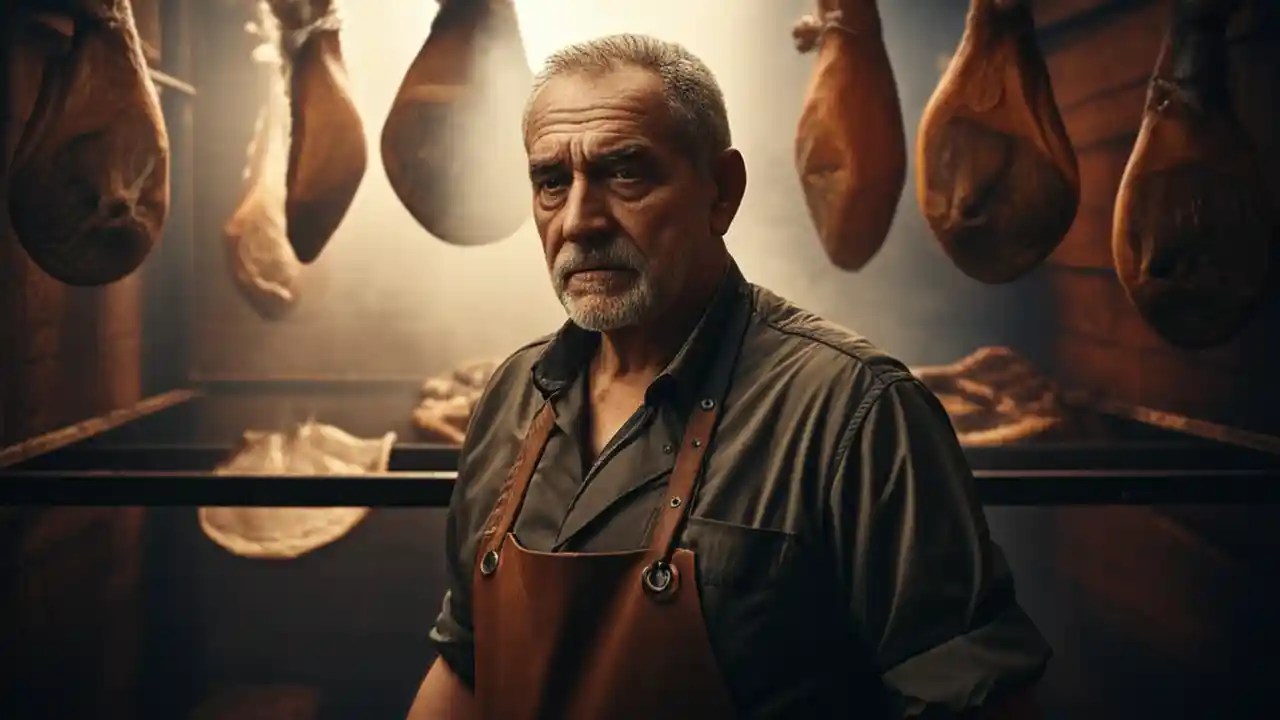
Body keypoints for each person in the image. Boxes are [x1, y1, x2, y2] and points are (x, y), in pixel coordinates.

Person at [406, 33, 1050, 720]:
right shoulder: (513, 394)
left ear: (722, 191)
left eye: (626, 173)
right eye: (551, 182)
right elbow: (465, 667)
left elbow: (980, 703)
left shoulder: (854, 413)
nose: (580, 220)